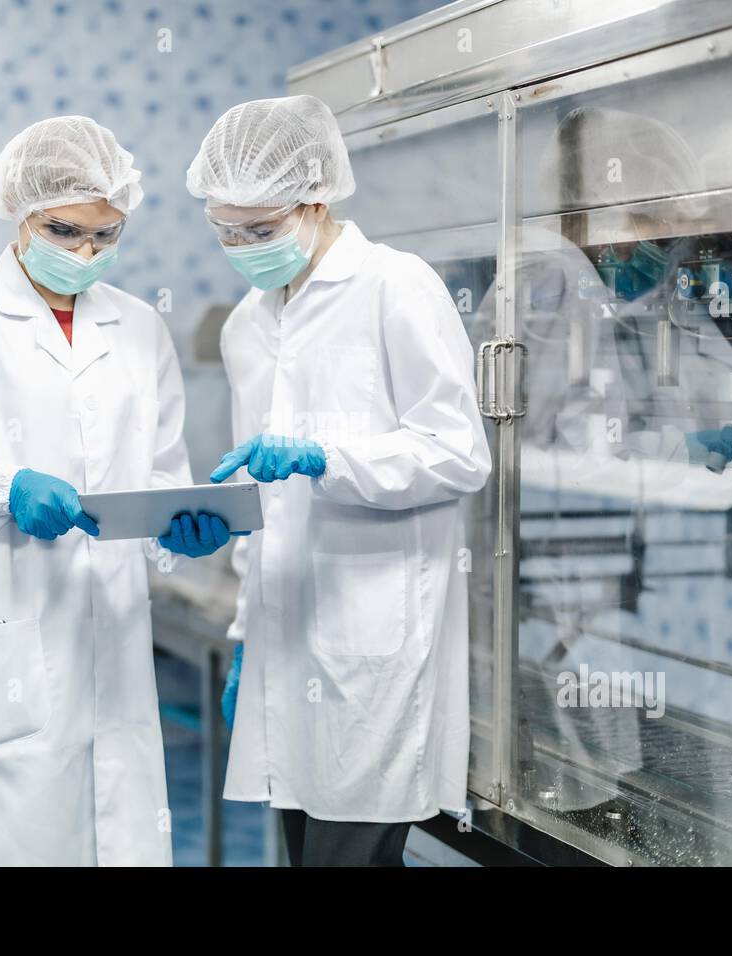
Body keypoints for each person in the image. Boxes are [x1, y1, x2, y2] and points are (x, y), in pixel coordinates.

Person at [0, 116, 232, 866]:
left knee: (121, 833)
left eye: (107, 235)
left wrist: (179, 526)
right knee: (9, 839)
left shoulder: (138, 328)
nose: (87, 252)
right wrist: (2, 488)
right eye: (66, 231)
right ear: (20, 213)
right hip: (2, 629)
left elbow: (158, 471)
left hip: (114, 635)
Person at [186, 95, 492, 866]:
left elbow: (459, 453)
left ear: (316, 197)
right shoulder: (245, 327)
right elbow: (261, 508)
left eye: (261, 229)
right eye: (227, 230)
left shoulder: (396, 286)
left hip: (379, 644)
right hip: (283, 638)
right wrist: (245, 636)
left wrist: (329, 460)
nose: (243, 246)